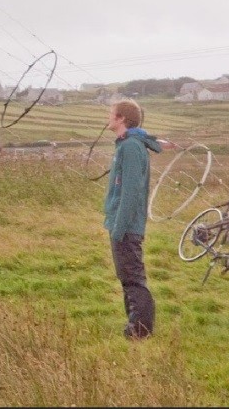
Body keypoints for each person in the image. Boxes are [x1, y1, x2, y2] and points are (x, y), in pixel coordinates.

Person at [102, 98, 162, 339]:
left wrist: (119, 228)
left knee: (133, 278)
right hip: (122, 223)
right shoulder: (128, 145)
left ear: (121, 119)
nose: (108, 118)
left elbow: (130, 192)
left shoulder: (130, 147)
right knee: (127, 277)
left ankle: (140, 330)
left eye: (111, 114)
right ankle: (134, 325)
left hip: (126, 225)